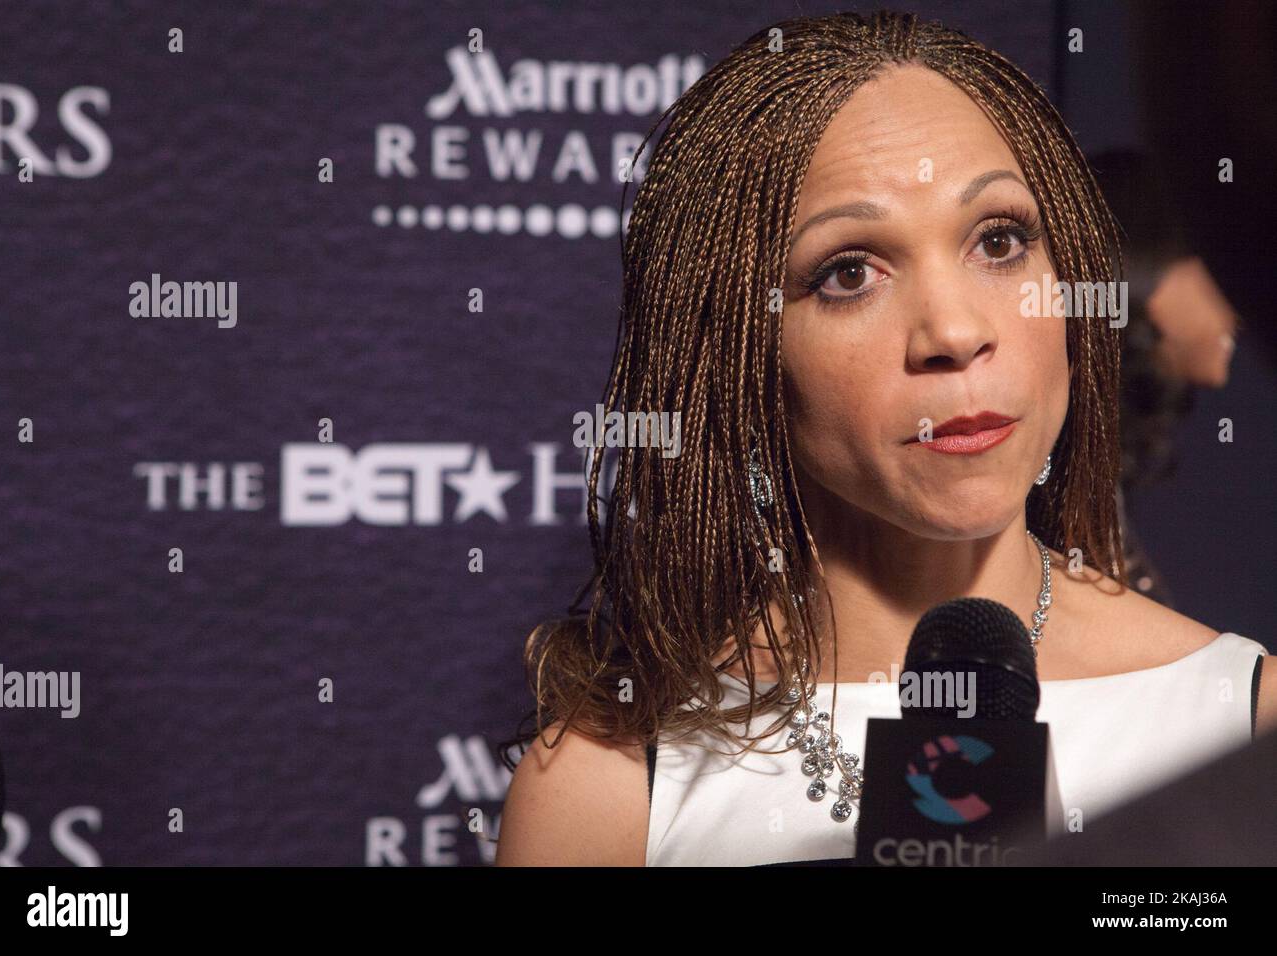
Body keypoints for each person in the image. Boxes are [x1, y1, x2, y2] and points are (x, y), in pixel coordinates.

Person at [494, 10, 1275, 866]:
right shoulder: (607, 785)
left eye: (1000, 241)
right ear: (738, 351)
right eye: (849, 272)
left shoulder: (1248, 722)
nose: (952, 330)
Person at [1090, 149, 1243, 607]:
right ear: (1141, 262)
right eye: (1218, 266)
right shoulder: (1057, 460)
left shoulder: (1102, 458)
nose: (1239, 309)